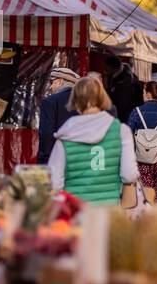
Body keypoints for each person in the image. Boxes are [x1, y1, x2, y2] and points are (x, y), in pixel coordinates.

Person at [48, 74, 138, 204]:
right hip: (109, 212)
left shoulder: (65, 135)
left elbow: (54, 184)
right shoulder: (121, 131)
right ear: (102, 98)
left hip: (75, 213)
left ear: (76, 101)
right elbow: (129, 175)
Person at [38, 67, 117, 164]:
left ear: (60, 81)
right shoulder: (89, 102)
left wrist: (43, 161)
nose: (50, 87)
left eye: (52, 82)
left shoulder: (50, 102)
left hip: (56, 160)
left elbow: (47, 135)